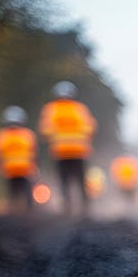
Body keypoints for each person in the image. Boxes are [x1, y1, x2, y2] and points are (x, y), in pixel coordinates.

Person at [39, 81, 97, 215]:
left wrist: (58, 135)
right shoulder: (80, 108)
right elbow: (91, 127)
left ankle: (68, 206)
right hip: (79, 151)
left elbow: (45, 130)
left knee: (64, 180)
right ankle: (85, 206)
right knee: (80, 180)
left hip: (61, 151)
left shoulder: (50, 109)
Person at [0, 106, 37, 214]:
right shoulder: (27, 134)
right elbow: (34, 153)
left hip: (13, 170)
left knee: (15, 191)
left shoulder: (1, 136)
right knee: (23, 191)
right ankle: (23, 210)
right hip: (22, 170)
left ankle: (16, 210)